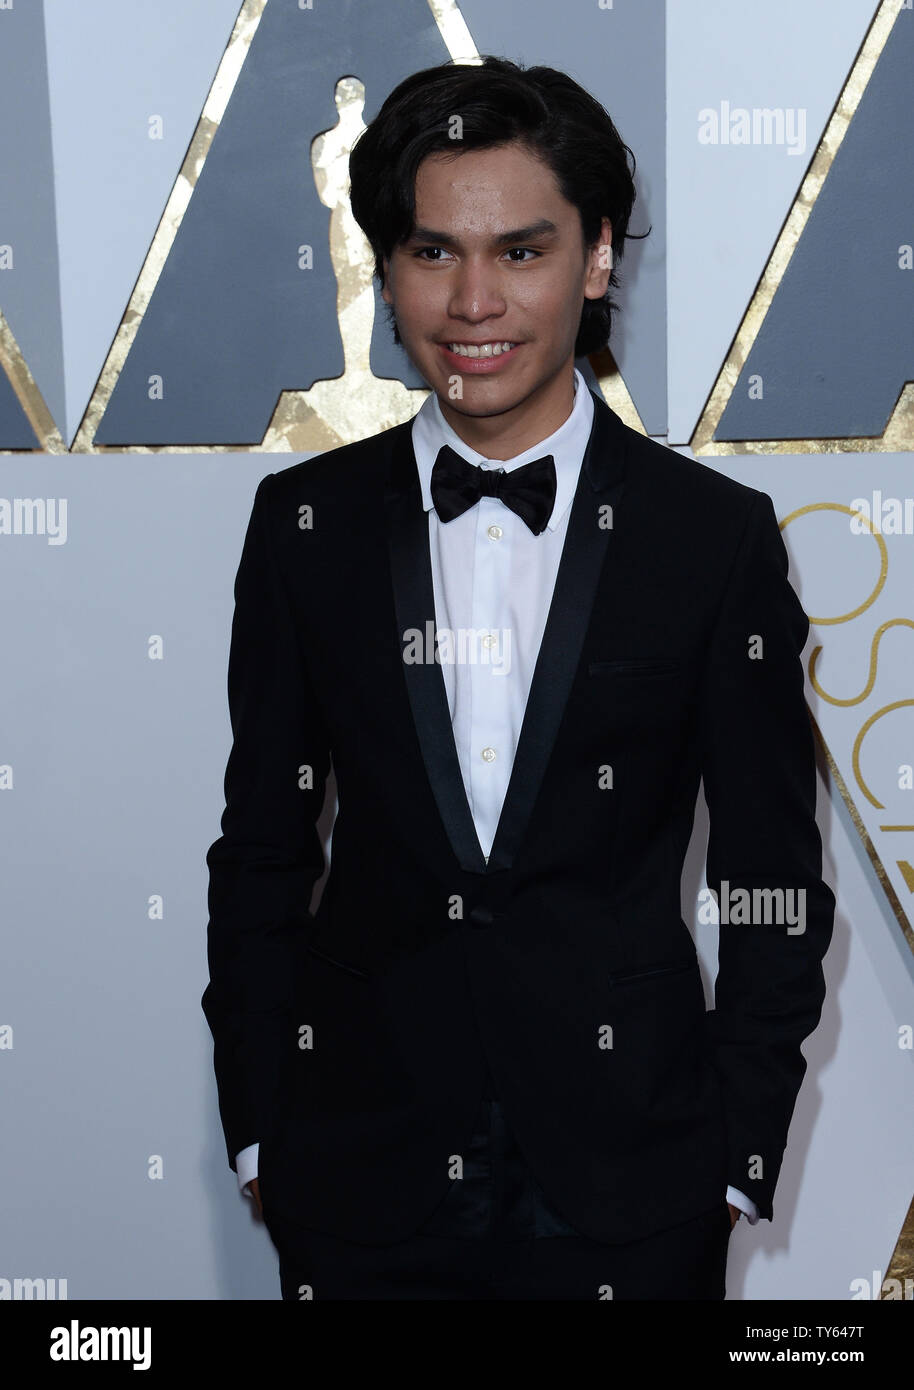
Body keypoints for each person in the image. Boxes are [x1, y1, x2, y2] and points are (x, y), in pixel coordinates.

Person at [202, 56, 835, 1300]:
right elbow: (263, 851)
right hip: (358, 1178)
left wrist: (733, 1151)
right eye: (432, 252)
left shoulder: (709, 539)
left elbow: (769, 874)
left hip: (635, 1188)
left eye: (522, 252)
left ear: (598, 256)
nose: (473, 302)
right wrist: (262, 1123)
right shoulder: (304, 525)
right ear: (383, 267)